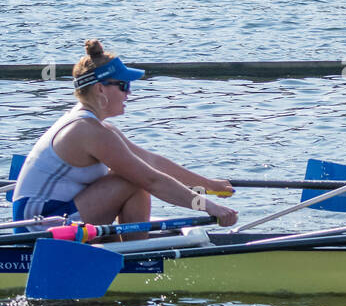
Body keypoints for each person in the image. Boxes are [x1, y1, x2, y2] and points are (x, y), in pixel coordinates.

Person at [11, 40, 238, 235]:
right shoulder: (87, 131)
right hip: (37, 228)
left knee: (135, 176)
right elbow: (152, 180)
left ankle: (132, 248)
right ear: (100, 89)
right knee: (133, 180)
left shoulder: (97, 126)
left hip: (56, 216)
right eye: (123, 85)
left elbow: (153, 162)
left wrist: (208, 185)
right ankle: (137, 259)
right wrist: (209, 207)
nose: (129, 93)